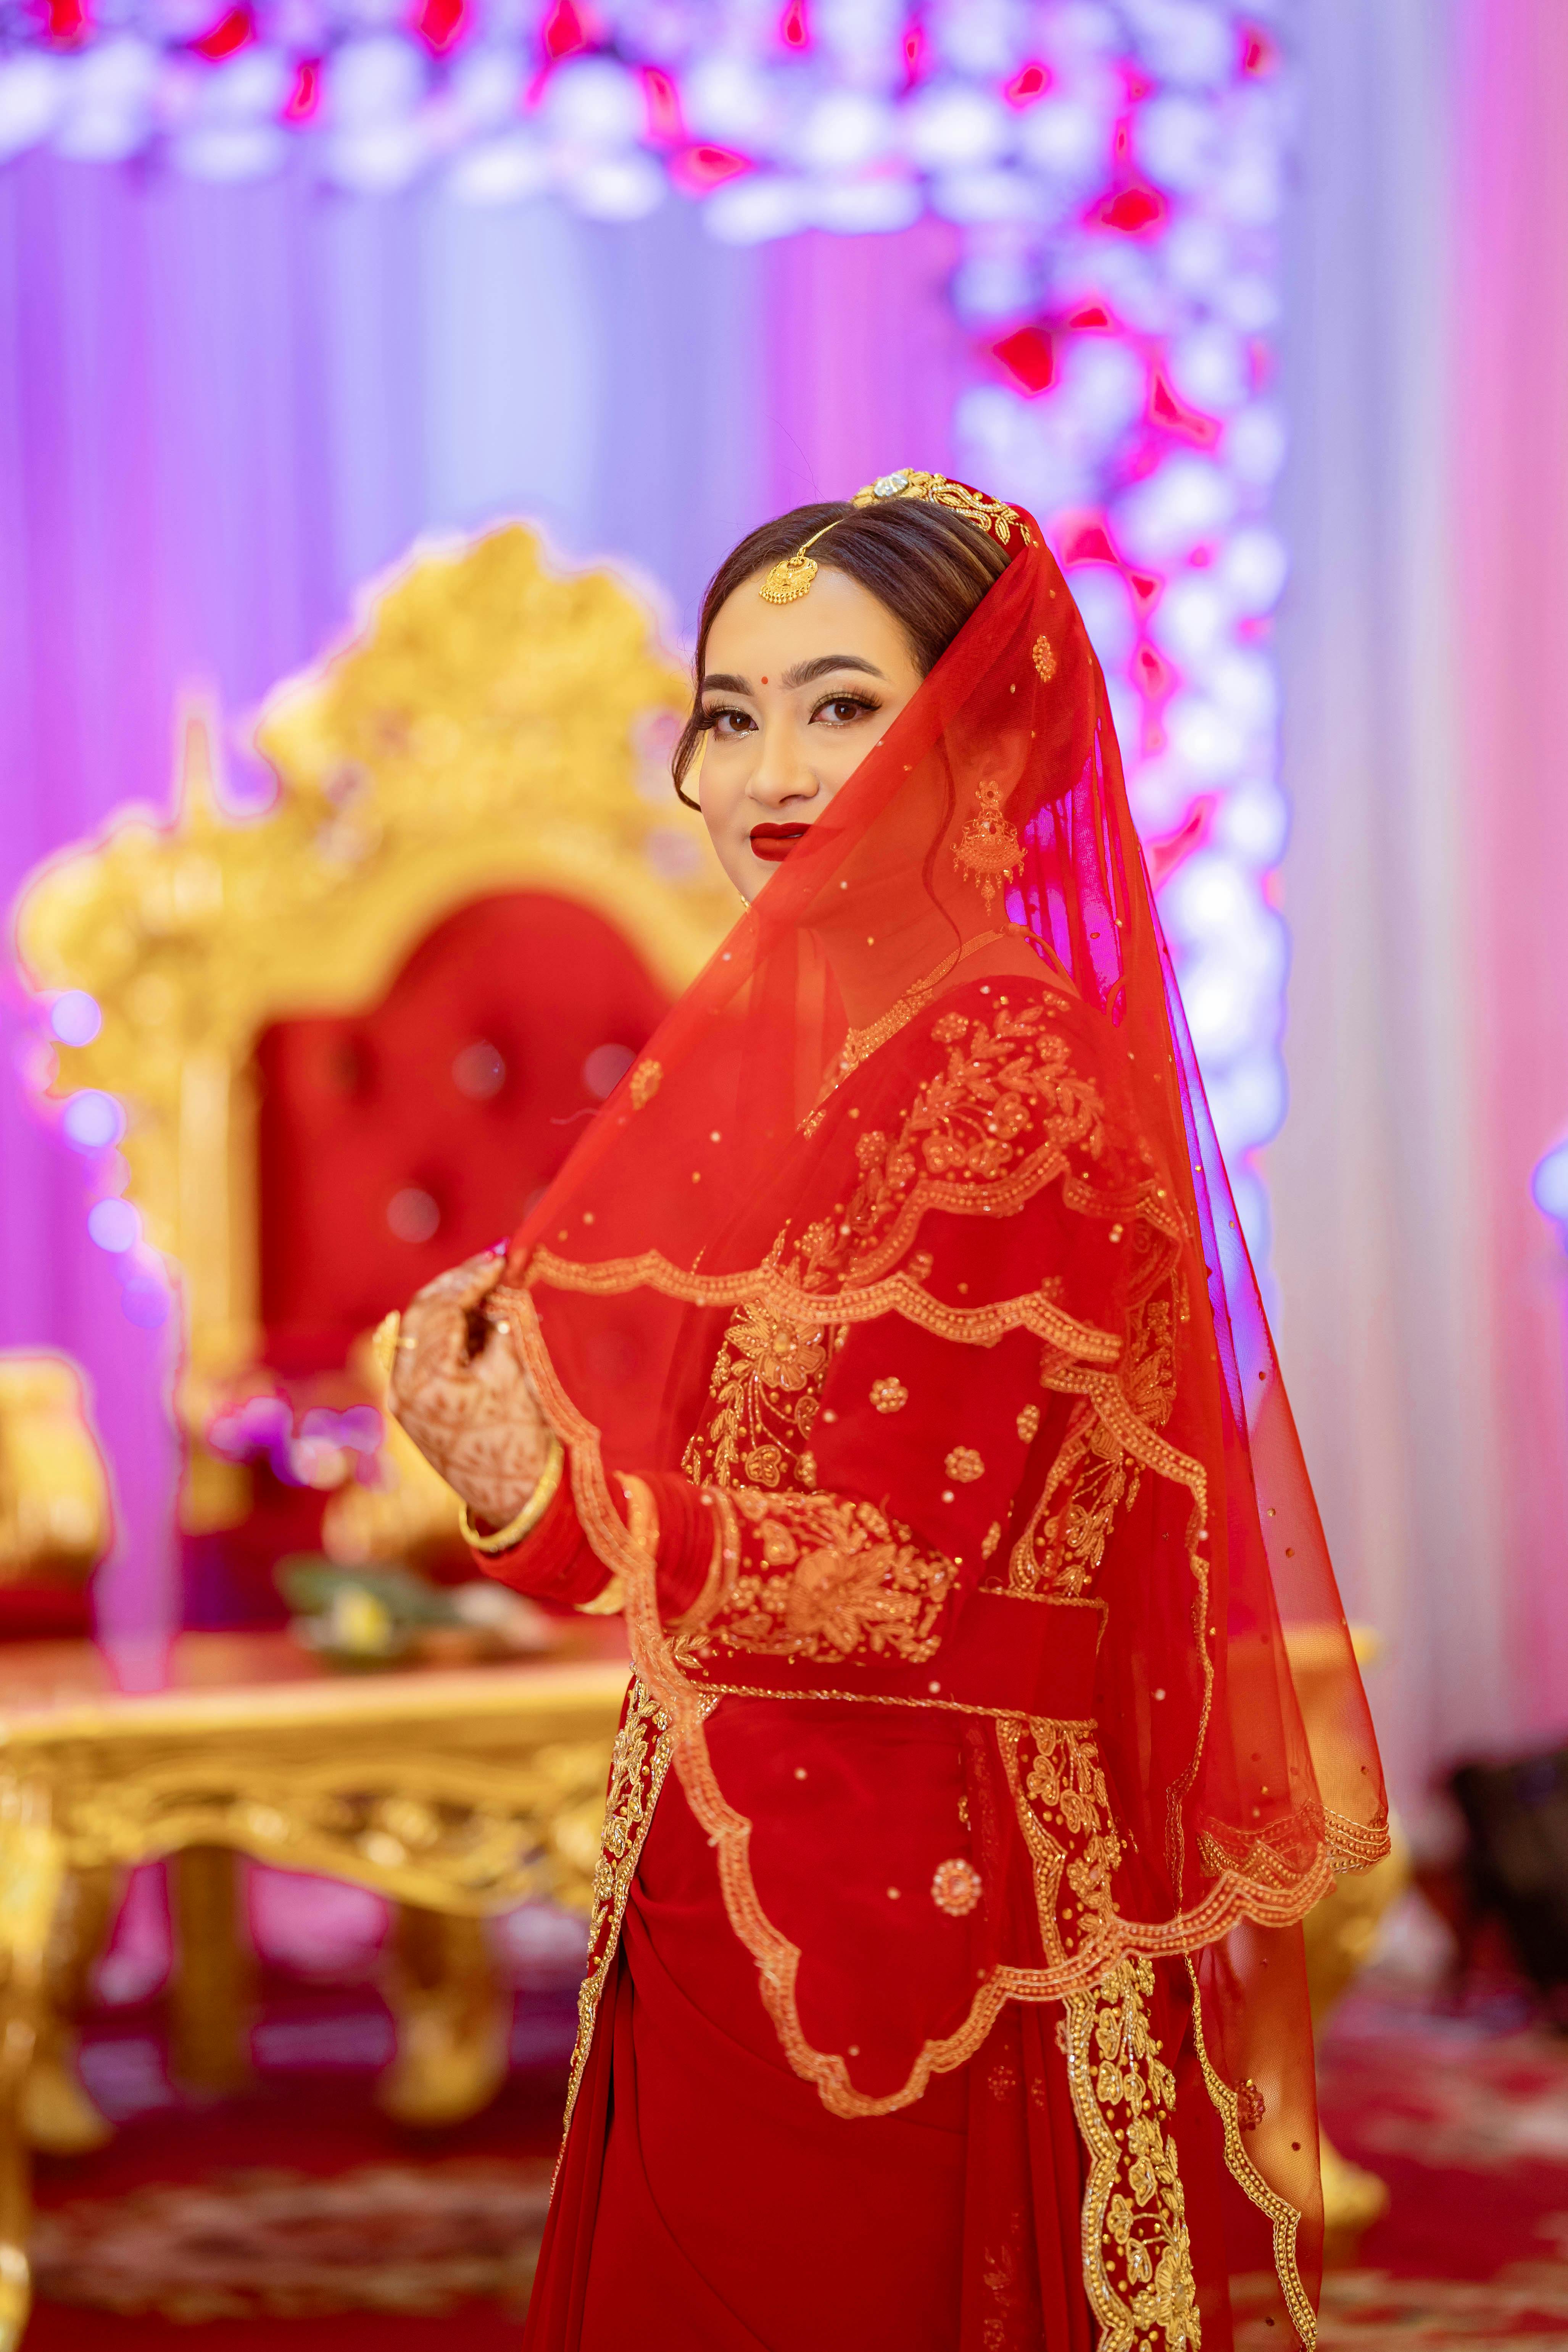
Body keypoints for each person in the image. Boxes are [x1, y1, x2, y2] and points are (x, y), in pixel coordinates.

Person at [388, 471, 1388, 2350]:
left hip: (921, 1878)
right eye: (729, 709)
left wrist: (552, 1482)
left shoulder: (1000, 1073)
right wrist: (530, 1483)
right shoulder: (793, 1058)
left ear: (982, 736)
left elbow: (895, 1576)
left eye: (842, 703)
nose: (770, 767)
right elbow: (728, 1493)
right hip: (740, 1830)